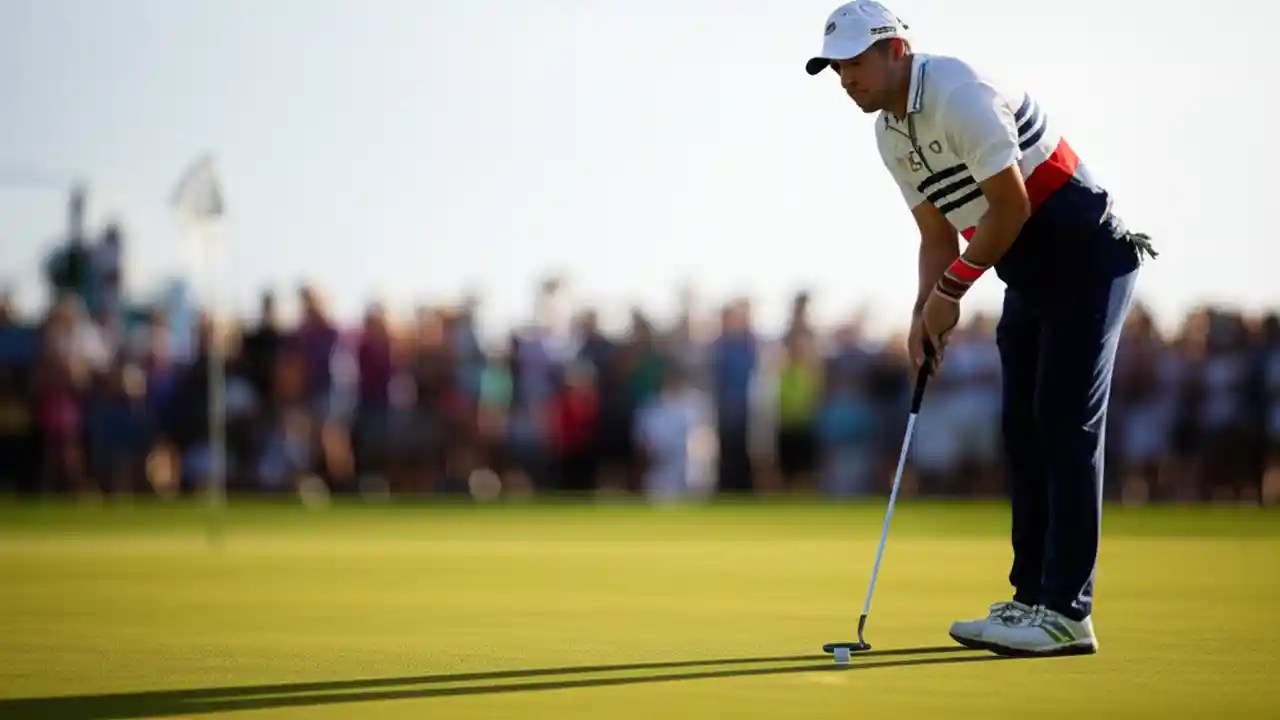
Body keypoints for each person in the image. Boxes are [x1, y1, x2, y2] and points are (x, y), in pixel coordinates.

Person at [805, 0, 1157, 656]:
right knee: (1020, 429)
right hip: (1024, 269)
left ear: (896, 52)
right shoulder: (888, 132)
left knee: (1062, 420)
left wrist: (951, 293)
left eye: (854, 63)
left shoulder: (959, 91)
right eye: (836, 68)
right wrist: (922, 314)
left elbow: (1012, 204)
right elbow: (936, 235)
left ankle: (1067, 611)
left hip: (1085, 250)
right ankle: (1030, 601)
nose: (845, 78)